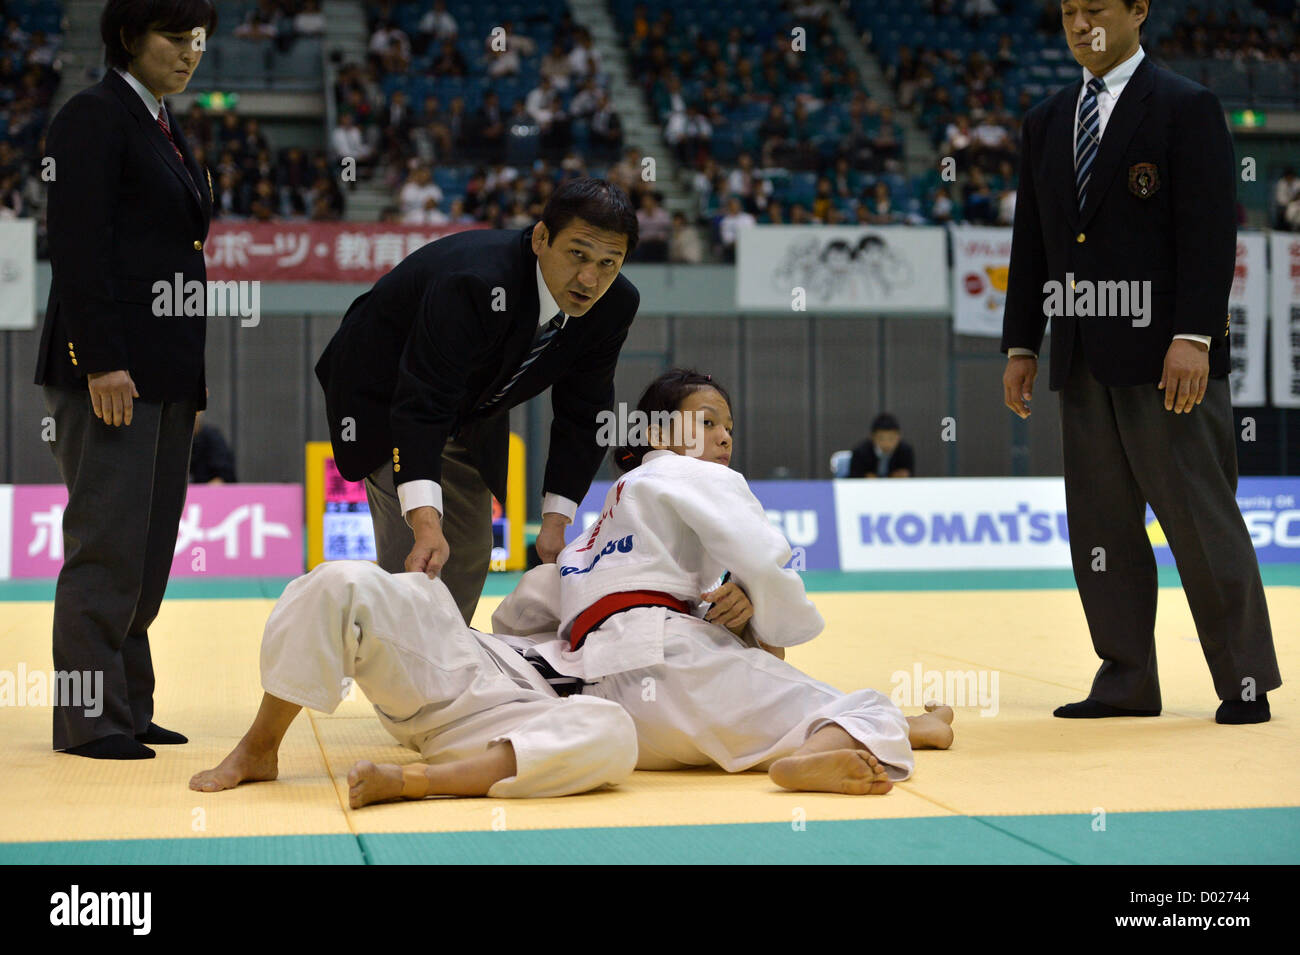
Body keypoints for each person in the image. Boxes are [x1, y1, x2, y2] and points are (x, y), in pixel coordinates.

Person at [1000, 0, 1280, 723]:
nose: (1080, 22)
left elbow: (1212, 231)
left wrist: (1195, 335)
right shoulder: (1046, 119)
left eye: (1096, 7)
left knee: (1201, 518)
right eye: (1067, 11)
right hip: (1083, 353)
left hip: (1168, 358)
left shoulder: (1186, 107)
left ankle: (1244, 679)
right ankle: (1126, 676)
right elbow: (1033, 241)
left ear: (1137, 11)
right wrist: (1023, 342)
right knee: (1101, 528)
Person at [493, 370, 955, 795]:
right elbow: (761, 555)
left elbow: (529, 599)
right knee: (861, 708)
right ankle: (823, 754)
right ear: (658, 434)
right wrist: (767, 605)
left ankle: (921, 726)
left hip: (609, 708)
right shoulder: (693, 473)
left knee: (769, 703)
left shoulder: (604, 522)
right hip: (678, 672)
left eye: (728, 427)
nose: (724, 437)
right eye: (708, 423)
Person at [315, 177, 640, 626]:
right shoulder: (476, 281)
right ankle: (403, 683)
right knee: (417, 560)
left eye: (609, 262)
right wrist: (426, 523)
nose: (590, 278)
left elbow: (585, 411)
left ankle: (440, 669)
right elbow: (423, 401)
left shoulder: (614, 303)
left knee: (469, 550)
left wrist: (556, 523)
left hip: (477, 405)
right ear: (541, 237)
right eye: (578, 255)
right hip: (383, 393)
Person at [34, 0, 217, 760]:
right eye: (176, 39)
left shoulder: (166, 127)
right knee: (106, 547)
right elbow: (78, 247)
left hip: (162, 376)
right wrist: (100, 358)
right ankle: (89, 719)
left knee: (148, 550)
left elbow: (181, 263)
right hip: (108, 372)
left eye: (199, 40)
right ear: (128, 38)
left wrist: (190, 390)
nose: (190, 53)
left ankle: (129, 705)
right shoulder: (93, 117)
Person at [188, 561, 637, 807]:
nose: (712, 439)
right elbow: (518, 612)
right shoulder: (623, 550)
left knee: (615, 732)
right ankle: (259, 747)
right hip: (477, 658)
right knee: (343, 582)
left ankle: (410, 782)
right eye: (705, 421)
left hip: (515, 714)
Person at [848, 413, 915, 478]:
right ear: (872, 437)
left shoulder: (905, 451)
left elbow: (909, 476)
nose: (886, 443)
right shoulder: (860, 452)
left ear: (899, 436)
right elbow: (854, 478)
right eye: (881, 438)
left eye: (891, 438)